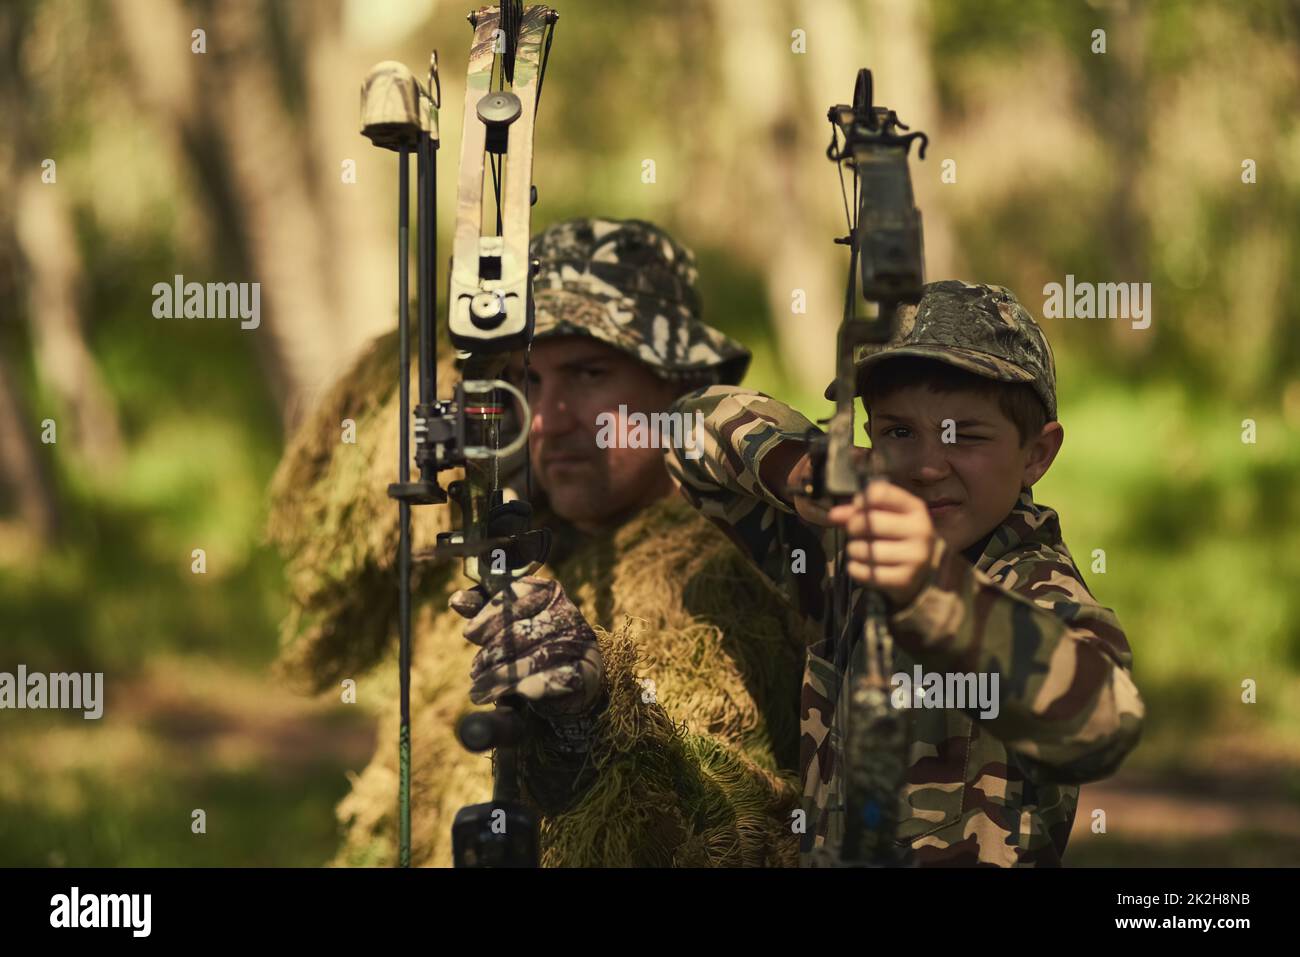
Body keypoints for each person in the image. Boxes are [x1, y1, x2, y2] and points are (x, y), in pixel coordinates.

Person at [267, 217, 811, 866]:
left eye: (588, 374)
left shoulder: (730, 576)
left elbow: (734, 821)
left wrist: (590, 715)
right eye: (527, 382)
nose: (550, 420)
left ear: (681, 389)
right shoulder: (501, 543)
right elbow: (327, 562)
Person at [666, 280, 1145, 866]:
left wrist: (932, 591)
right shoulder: (848, 548)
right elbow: (686, 426)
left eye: (963, 436)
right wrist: (797, 467)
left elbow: (1106, 722)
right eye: (897, 432)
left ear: (1037, 454)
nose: (923, 466)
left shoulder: (1035, 585)